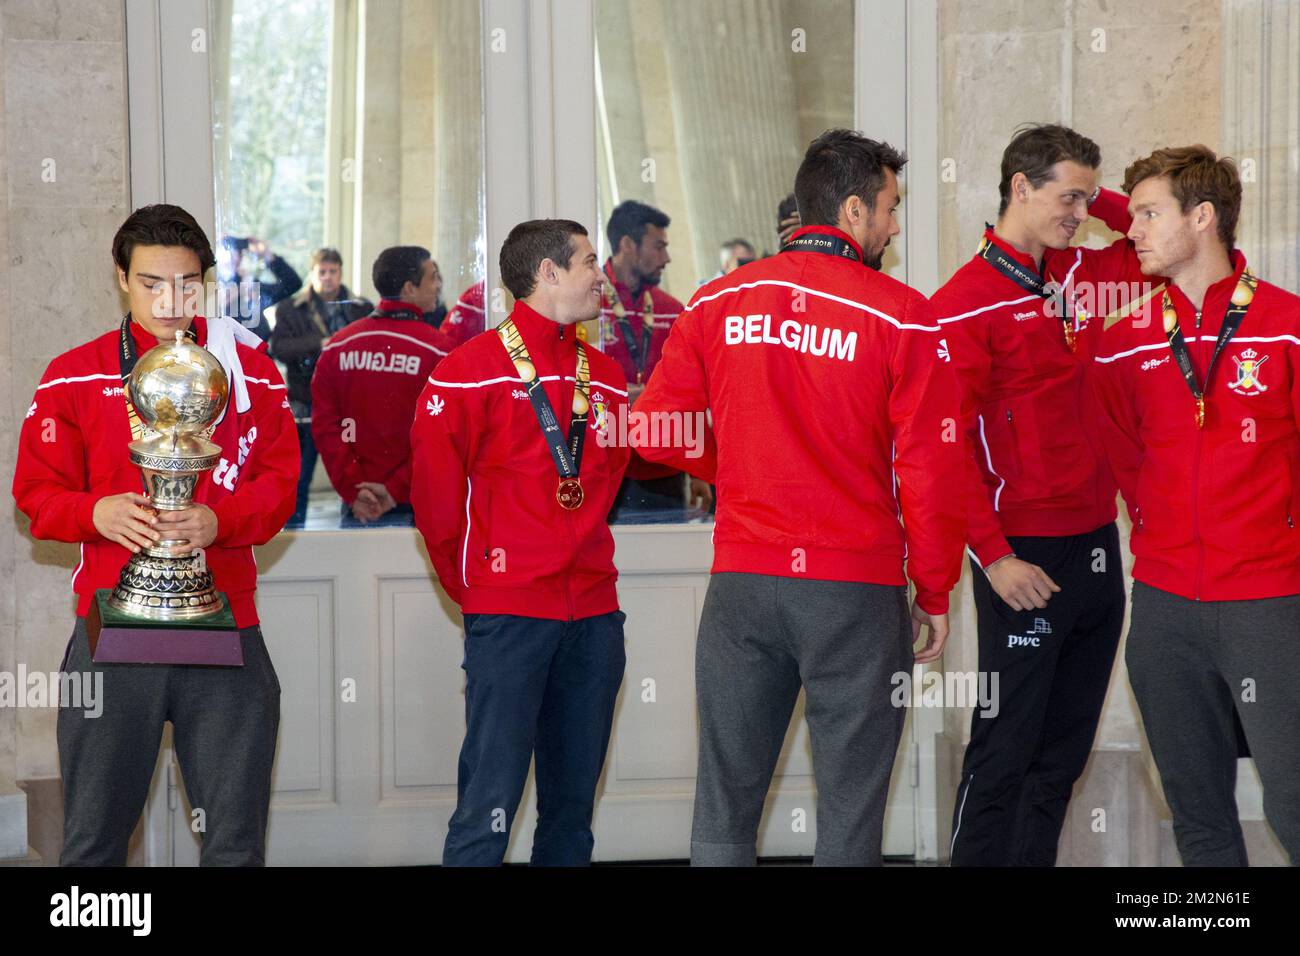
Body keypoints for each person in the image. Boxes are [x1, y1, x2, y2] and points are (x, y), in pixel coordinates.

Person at [632, 129, 967, 865]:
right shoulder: (902, 314)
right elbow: (933, 471)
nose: (894, 225)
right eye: (889, 208)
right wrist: (936, 589)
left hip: (744, 585)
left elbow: (654, 430)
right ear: (852, 211)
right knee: (851, 814)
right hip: (854, 588)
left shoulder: (719, 301)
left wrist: (738, 461)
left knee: (725, 806)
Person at [12, 204, 299, 865]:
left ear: (206, 281)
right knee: (94, 840)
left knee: (235, 841)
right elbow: (35, 494)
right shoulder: (75, 373)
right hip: (112, 626)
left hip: (225, 620)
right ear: (120, 277)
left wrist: (222, 522)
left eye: (187, 283)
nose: (170, 301)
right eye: (150, 283)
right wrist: (97, 513)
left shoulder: (248, 373)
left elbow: (280, 486)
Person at [930, 124, 1141, 866]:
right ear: (1019, 186)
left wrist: (1098, 192)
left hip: (1095, 546)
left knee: (1061, 758)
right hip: (1021, 554)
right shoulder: (961, 303)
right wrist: (991, 557)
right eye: (1066, 195)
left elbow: (1151, 235)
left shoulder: (1084, 276)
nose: (1080, 211)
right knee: (1004, 752)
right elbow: (943, 447)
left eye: (1088, 197)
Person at [1091, 145, 1300, 866]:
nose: (1135, 230)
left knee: (1294, 803)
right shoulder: (1124, 341)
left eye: (1149, 214)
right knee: (1196, 814)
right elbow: (1125, 460)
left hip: (1271, 604)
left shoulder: (1287, 326)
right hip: (1165, 611)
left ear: (1202, 217)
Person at [410, 219, 632, 865]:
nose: (602, 275)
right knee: (490, 803)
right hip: (510, 615)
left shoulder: (609, 374)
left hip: (593, 615)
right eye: (590, 261)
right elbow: (436, 506)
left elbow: (609, 475)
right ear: (547, 272)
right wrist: (482, 592)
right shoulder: (466, 373)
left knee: (571, 814)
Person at [311, 246, 452, 526]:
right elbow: (442, 435)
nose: (438, 286)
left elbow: (327, 429)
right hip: (417, 504)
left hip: (358, 505)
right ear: (410, 288)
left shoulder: (338, 346)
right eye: (433, 277)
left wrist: (355, 491)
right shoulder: (440, 352)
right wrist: (394, 490)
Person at [599, 200, 712, 518]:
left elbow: (693, 394)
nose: (667, 258)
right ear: (627, 245)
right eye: (658, 246)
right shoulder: (588, 307)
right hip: (602, 469)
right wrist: (622, 396)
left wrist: (698, 470)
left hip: (664, 471)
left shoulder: (672, 310)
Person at [268, 247, 372, 526]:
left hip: (349, 404)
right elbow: (278, 348)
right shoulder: (290, 308)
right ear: (312, 273)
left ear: (341, 272)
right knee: (299, 476)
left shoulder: (362, 307)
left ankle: (356, 531)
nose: (327, 278)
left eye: (333, 272)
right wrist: (321, 344)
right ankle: (293, 530)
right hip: (305, 402)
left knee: (355, 475)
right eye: (322, 272)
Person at [216, 234, 302, 341]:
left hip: (257, 352)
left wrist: (267, 255)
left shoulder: (249, 286)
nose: (235, 257)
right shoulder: (211, 286)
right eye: (228, 251)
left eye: (238, 252)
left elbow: (292, 284)